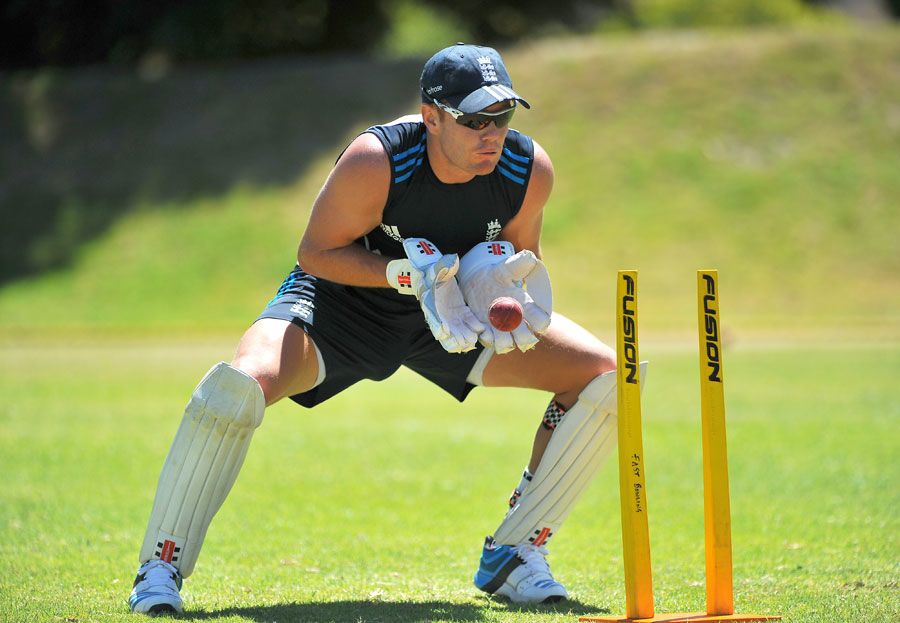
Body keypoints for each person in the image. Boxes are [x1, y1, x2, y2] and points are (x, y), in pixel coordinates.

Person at [128, 43, 619, 615]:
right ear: (431, 116)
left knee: (606, 379)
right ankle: (160, 567)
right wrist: (401, 273)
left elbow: (519, 256)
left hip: (453, 315)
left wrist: (497, 289)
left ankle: (515, 553)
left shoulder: (526, 168)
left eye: (502, 117)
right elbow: (315, 252)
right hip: (343, 307)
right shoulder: (378, 159)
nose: (492, 134)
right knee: (235, 388)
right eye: (474, 119)